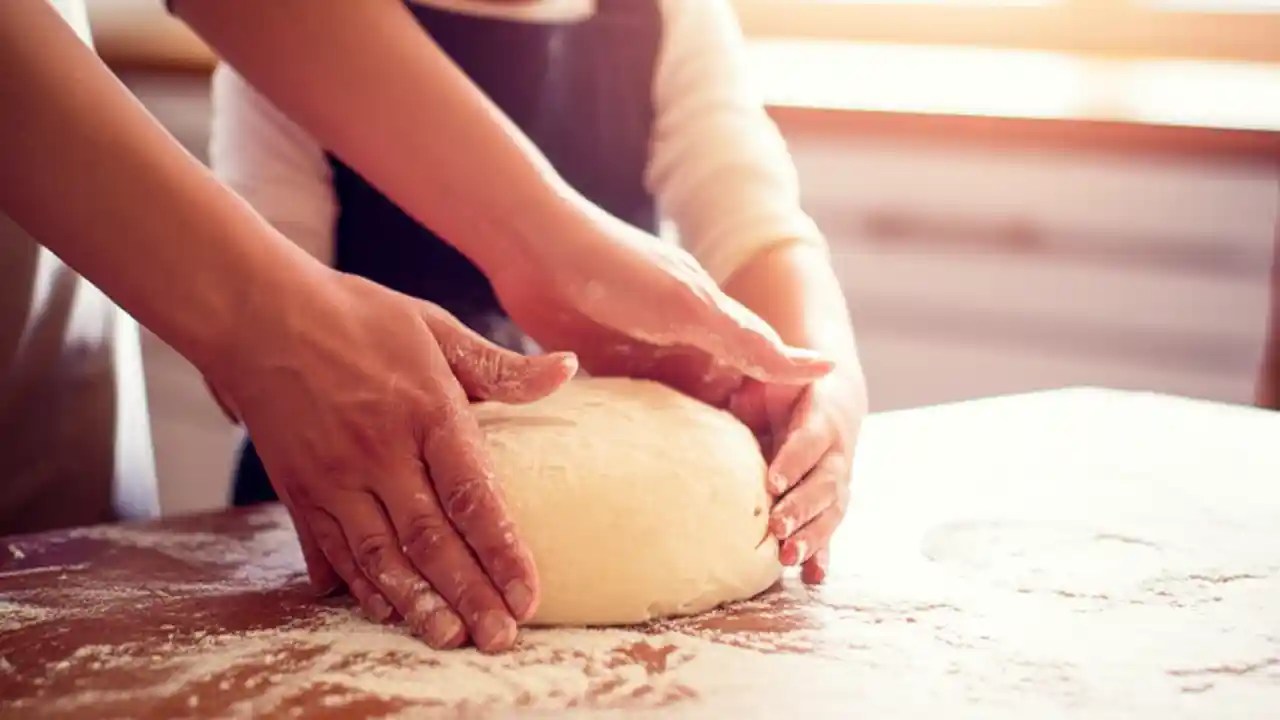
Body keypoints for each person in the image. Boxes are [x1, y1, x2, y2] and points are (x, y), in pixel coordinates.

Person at [1, 0, 830, 653]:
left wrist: (811, 374)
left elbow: (756, 213)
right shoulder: (277, 78)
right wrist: (263, 334)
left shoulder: (664, 17)